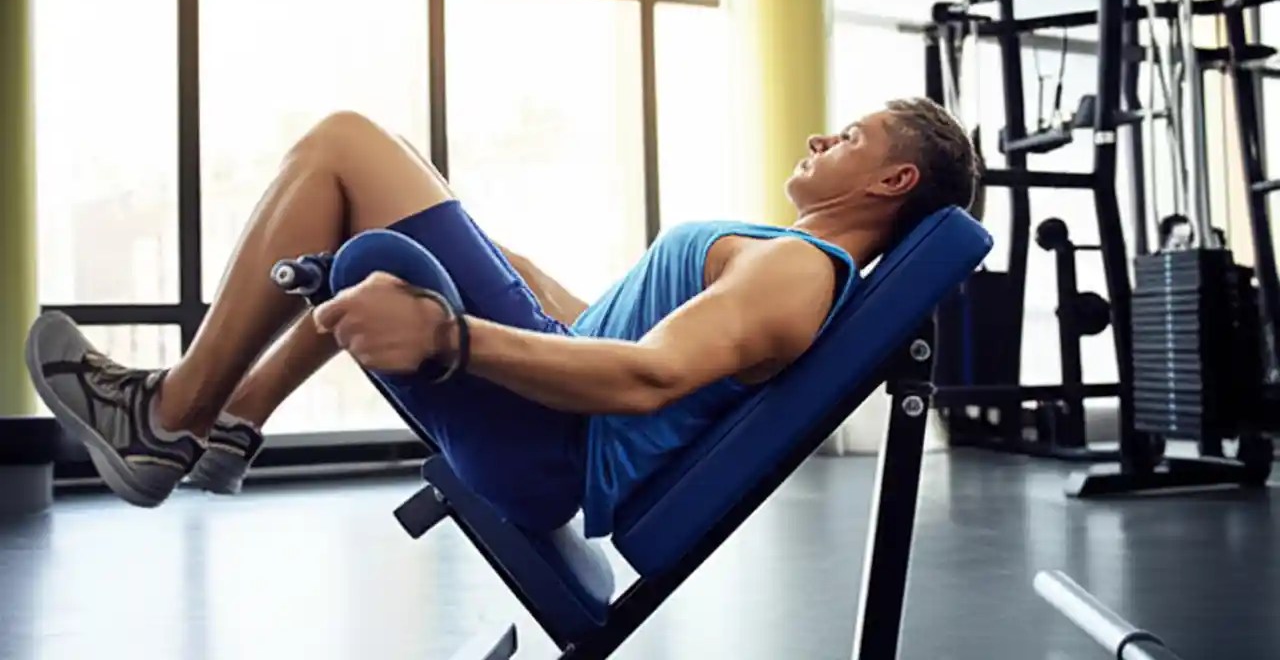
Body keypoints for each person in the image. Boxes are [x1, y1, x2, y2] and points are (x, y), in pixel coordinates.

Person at [25, 97, 979, 544]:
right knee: (389, 194)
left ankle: (171, 416)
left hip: (551, 451)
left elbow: (647, 376)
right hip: (559, 422)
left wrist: (454, 337)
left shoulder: (801, 274)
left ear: (892, 181)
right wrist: (512, 277)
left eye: (851, 138)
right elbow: (613, 333)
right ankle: (233, 423)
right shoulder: (782, 255)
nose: (823, 136)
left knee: (346, 146)